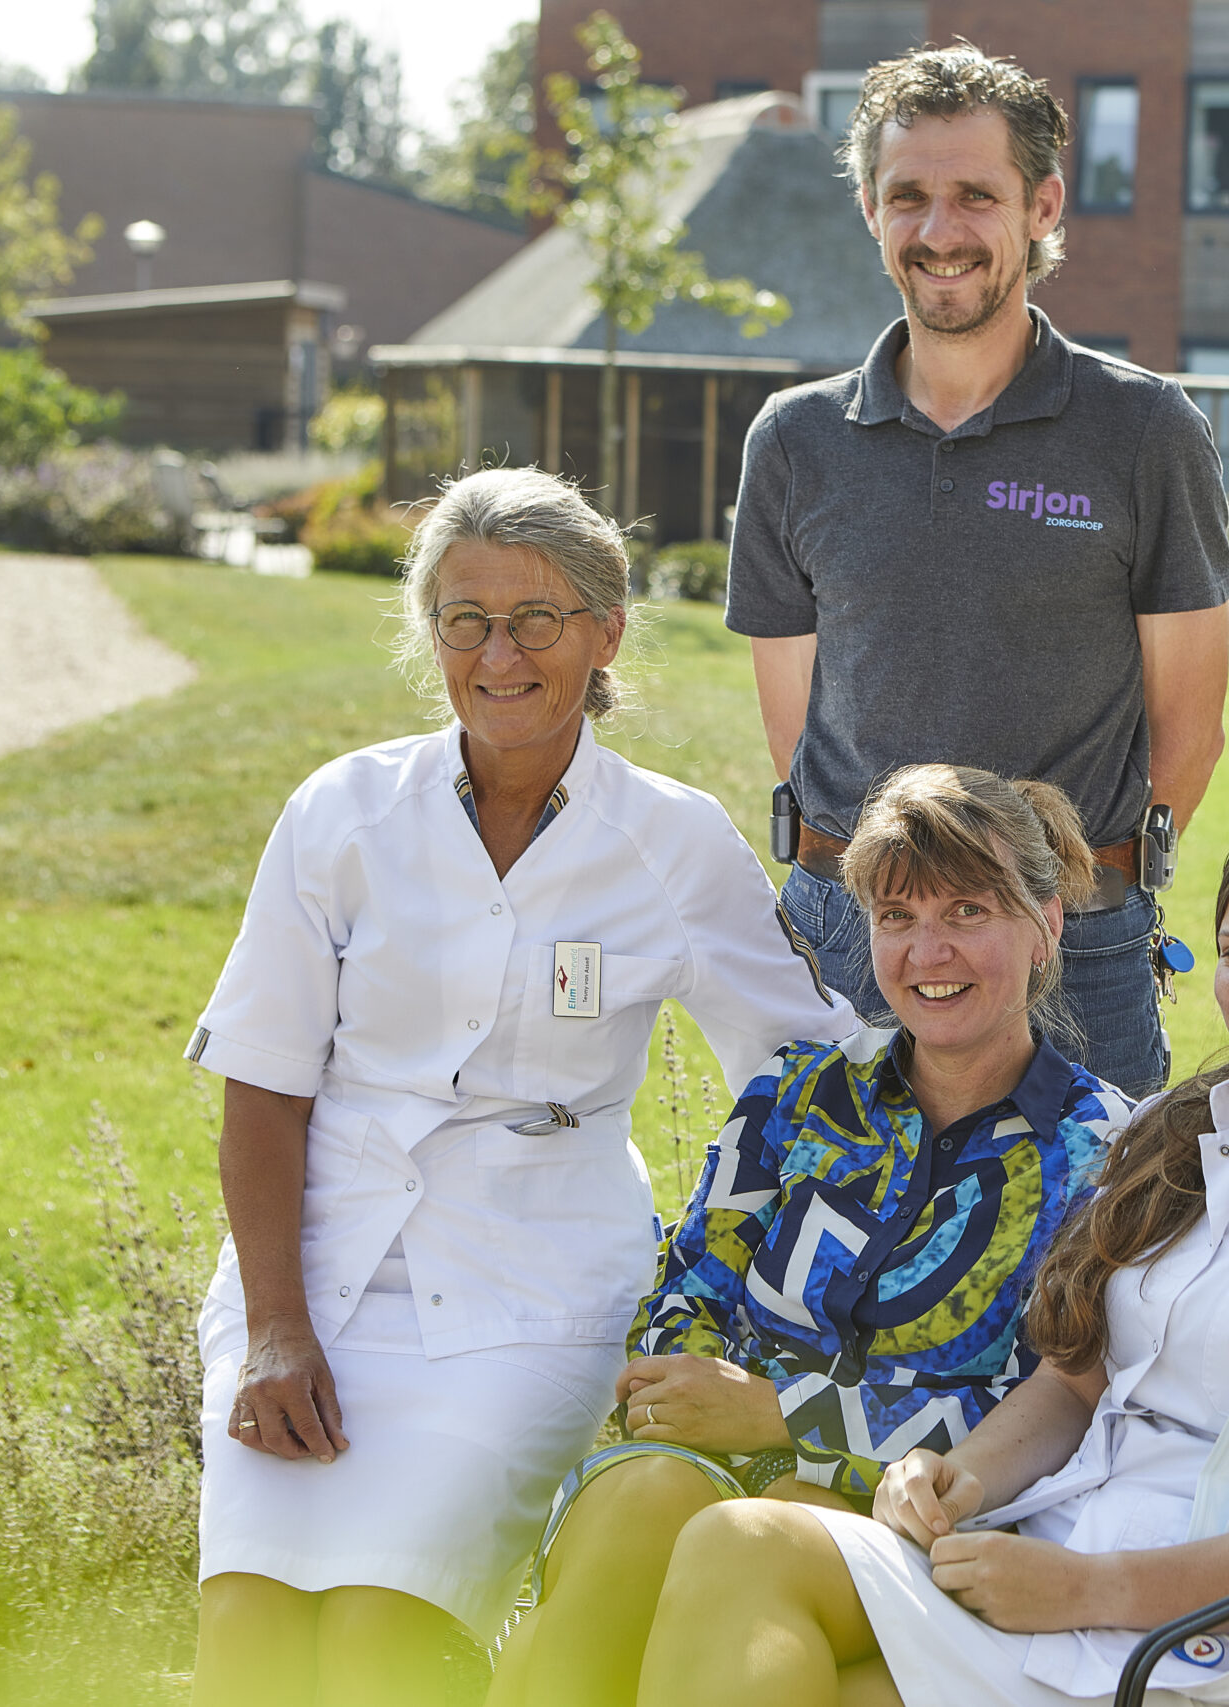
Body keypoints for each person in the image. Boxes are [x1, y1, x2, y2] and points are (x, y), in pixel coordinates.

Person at [632, 800, 1229, 1707]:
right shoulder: (1182, 1137)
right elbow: (1074, 1383)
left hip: (1210, 1646)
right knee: (741, 1542)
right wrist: (961, 1476)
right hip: (1047, 1561)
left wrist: (1092, 1588)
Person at [181, 467, 853, 1707]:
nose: (500, 654)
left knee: (388, 1629)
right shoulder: (342, 813)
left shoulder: (671, 841)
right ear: (429, 633)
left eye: (537, 618)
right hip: (311, 1276)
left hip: (533, 1287)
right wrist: (276, 1324)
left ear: (605, 632)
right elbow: (263, 1089)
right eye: (465, 619)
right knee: (250, 1644)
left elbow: (805, 1073)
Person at [487, 764, 1133, 1707]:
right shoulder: (795, 1091)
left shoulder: (1101, 1154)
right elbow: (689, 1292)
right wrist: (694, 1401)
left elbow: (1051, 1401)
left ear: (1046, 926)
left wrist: (790, 1421)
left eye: (967, 912)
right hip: (703, 1462)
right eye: (898, 917)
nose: (928, 951)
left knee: (768, 1525)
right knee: (641, 1495)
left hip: (915, 1508)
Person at [728, 44, 1229, 1099]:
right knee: (832, 1248)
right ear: (870, 208)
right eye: (907, 195)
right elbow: (797, 727)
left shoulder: (1144, 430)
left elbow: (1189, 726)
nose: (938, 231)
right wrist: (902, 897)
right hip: (849, 935)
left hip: (1074, 947)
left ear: (1042, 204)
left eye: (975, 196)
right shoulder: (793, 440)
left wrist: (1065, 899)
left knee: (1097, 1256)